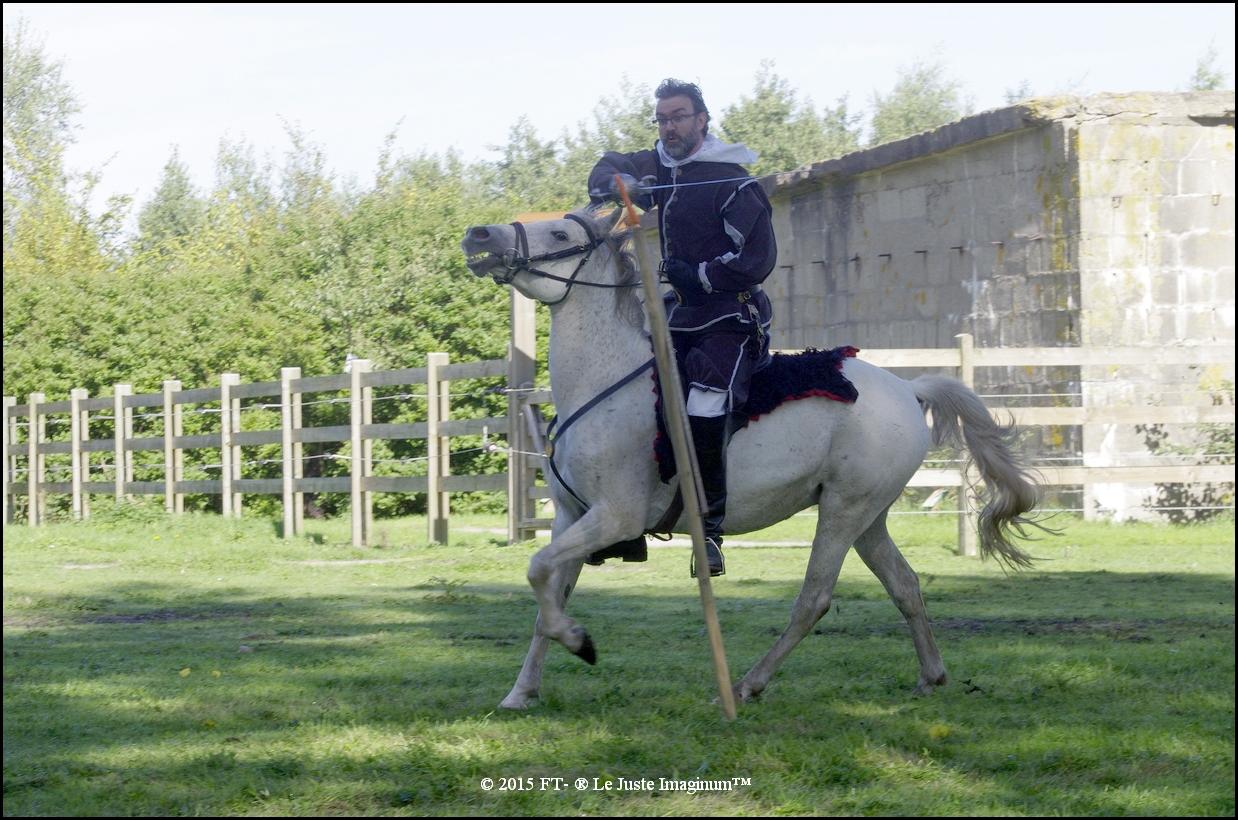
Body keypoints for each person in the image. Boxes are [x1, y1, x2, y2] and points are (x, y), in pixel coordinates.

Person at [588, 78, 777, 577]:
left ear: (702, 120)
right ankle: (624, 523)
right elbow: (609, 163)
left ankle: (709, 531)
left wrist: (704, 273)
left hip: (731, 318)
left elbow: (758, 258)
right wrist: (620, 186)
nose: (669, 127)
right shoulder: (658, 164)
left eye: (678, 117)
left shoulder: (732, 179)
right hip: (678, 315)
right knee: (634, 393)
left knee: (703, 402)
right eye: (663, 119)